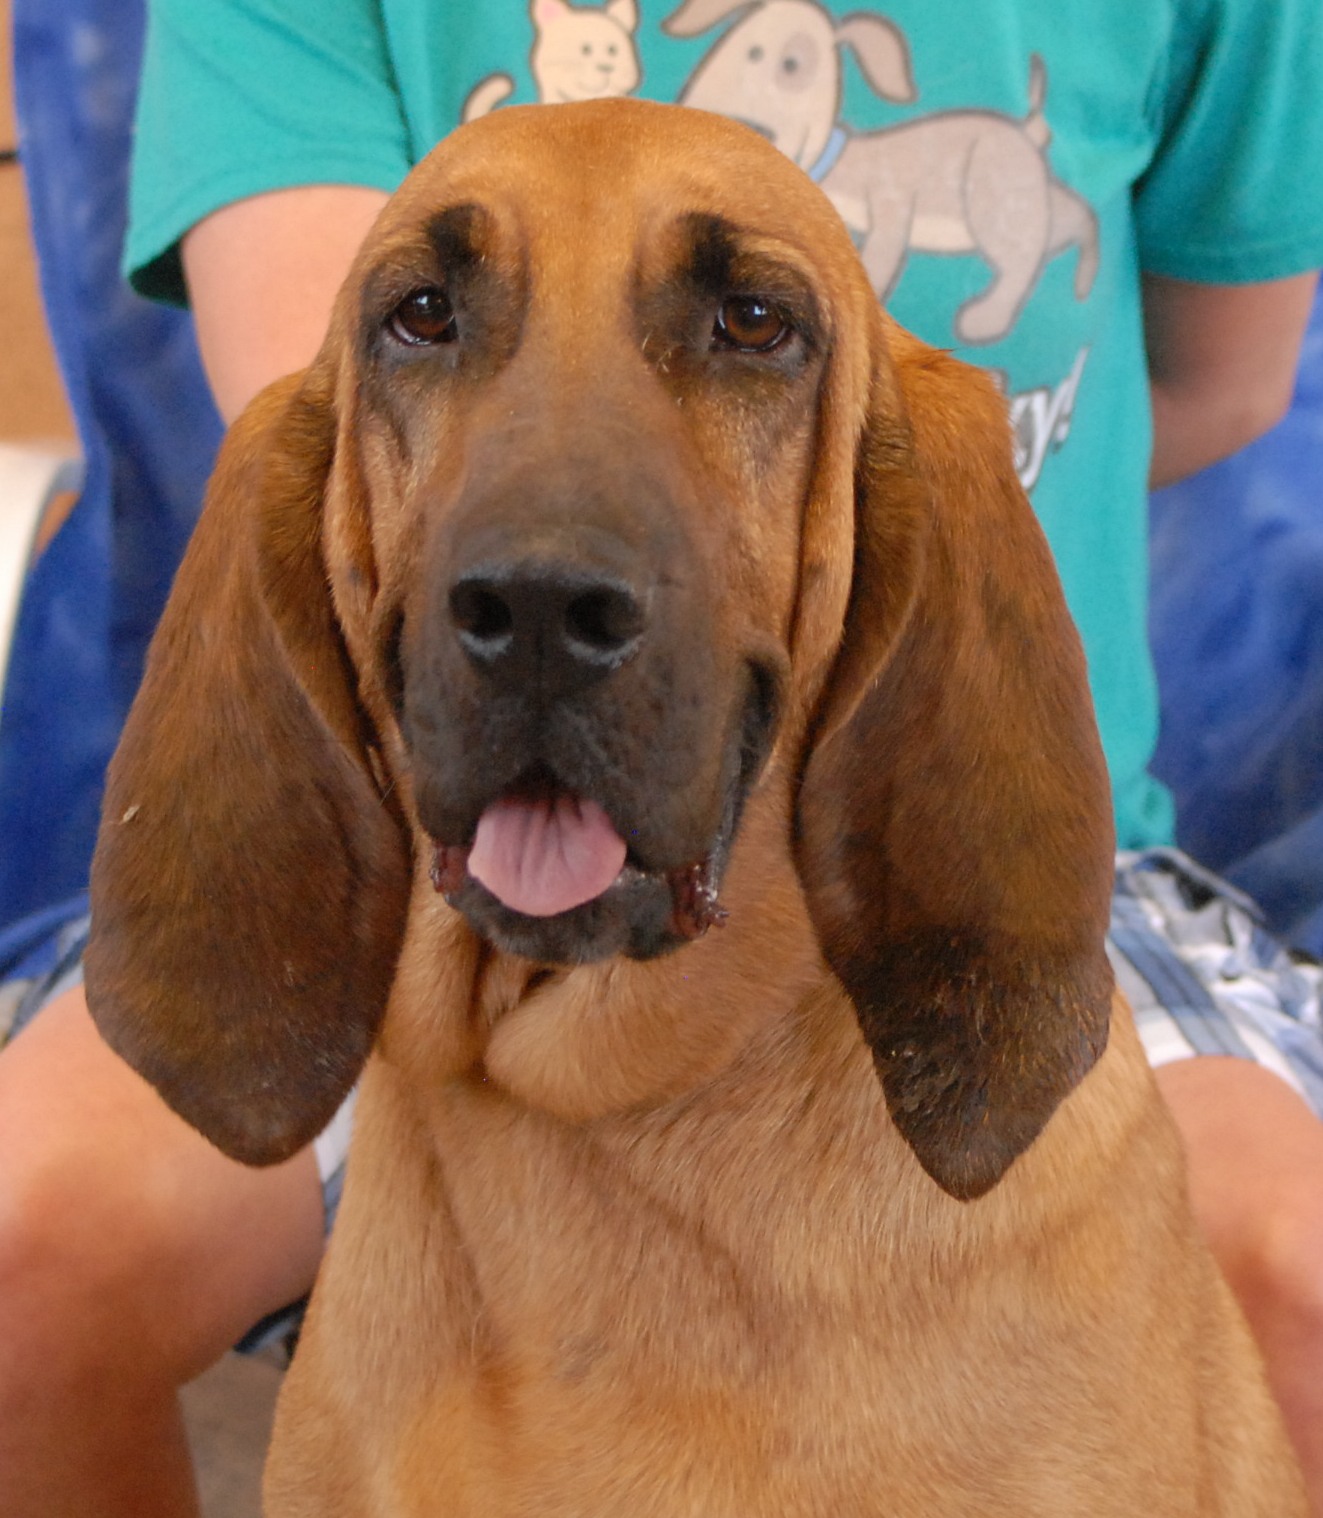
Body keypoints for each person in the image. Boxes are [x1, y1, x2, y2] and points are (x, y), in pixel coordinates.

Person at [2, 2, 1323, 1514]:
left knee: (1300, 1284)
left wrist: (852, 576)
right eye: (439, 319)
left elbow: (1220, 381)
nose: (557, 553)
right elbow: (334, 447)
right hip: (432, 851)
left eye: (748, 326)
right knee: (22, 1251)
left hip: (969, 817)